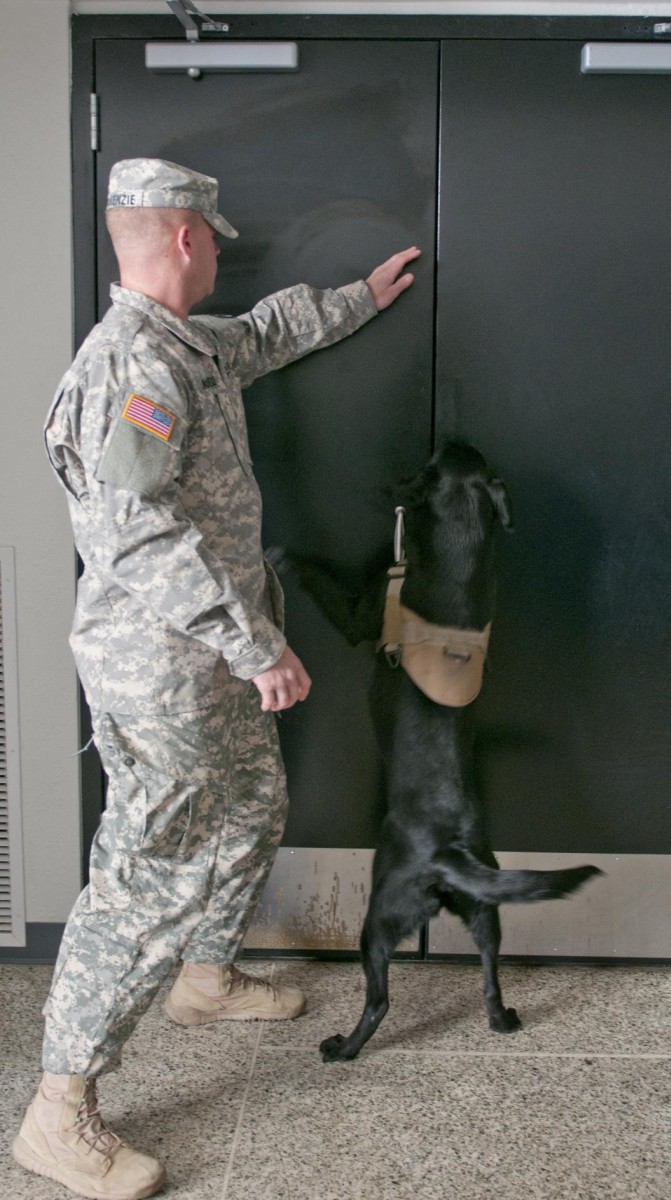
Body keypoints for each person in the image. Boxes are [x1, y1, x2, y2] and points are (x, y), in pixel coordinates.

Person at [12, 158, 420, 1200]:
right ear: (187, 238)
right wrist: (255, 645)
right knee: (144, 876)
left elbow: (264, 335)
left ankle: (204, 978)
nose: (224, 251)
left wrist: (355, 299)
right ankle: (58, 1114)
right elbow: (132, 538)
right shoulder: (132, 369)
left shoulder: (184, 344)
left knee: (252, 805)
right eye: (215, 237)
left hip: (210, 655)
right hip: (166, 664)